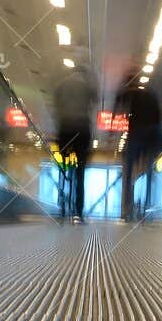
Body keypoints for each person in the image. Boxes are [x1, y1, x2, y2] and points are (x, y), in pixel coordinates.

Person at [52, 65, 95, 222]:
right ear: (83, 74)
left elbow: (56, 107)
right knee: (80, 171)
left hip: (64, 129)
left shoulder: (60, 85)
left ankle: (61, 202)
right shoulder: (87, 86)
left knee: (63, 165)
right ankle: (78, 211)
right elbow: (93, 104)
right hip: (82, 130)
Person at [117, 81, 162, 223]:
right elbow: (159, 118)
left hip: (136, 135)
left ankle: (127, 207)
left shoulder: (130, 93)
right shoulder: (152, 96)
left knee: (128, 170)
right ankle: (148, 204)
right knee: (148, 170)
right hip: (151, 137)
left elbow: (118, 103)